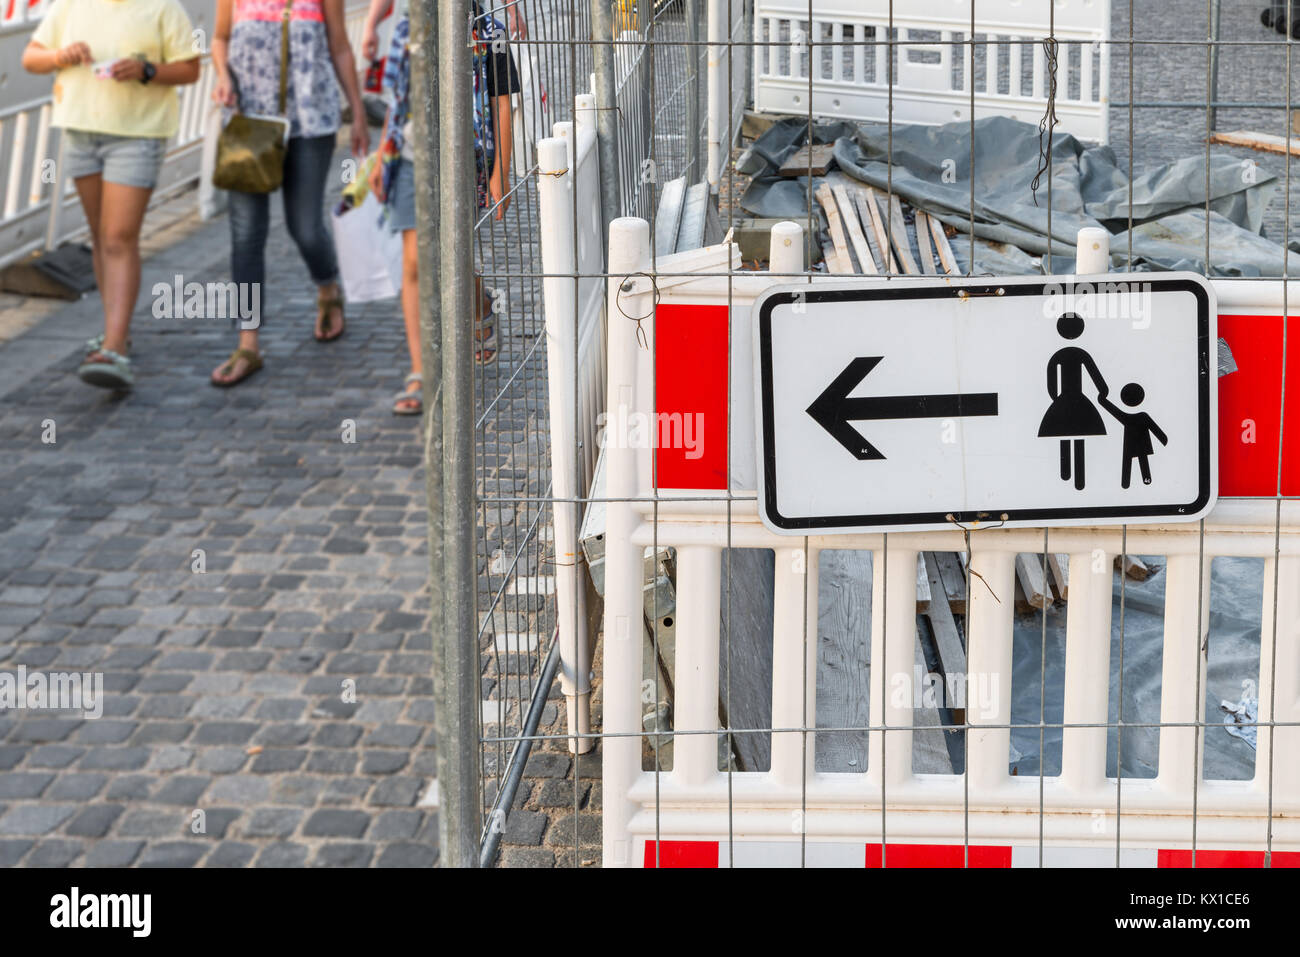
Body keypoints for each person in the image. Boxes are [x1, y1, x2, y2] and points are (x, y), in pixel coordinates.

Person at [22, 0, 201, 391]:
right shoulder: (70, 5)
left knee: (119, 237)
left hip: (138, 135)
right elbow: (31, 58)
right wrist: (60, 55)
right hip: (81, 132)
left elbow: (190, 69)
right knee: (102, 237)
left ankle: (115, 346)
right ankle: (114, 331)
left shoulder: (163, 9)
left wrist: (146, 70)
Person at [362, 0, 522, 414]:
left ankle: (479, 304)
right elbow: (398, 99)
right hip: (410, 157)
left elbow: (503, 102)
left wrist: (501, 173)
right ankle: (423, 370)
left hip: (463, 159)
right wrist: (382, 156)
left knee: (451, 258)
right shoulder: (405, 29)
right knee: (414, 262)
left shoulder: (491, 33)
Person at [209, 0, 370, 387]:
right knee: (246, 236)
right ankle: (249, 342)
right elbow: (219, 37)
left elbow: (340, 47)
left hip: (311, 122)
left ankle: (328, 288)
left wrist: (359, 112)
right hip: (250, 123)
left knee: (306, 228)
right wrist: (223, 77)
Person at [1037, 312, 1108, 491]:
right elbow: (1097, 377)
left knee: (1066, 433)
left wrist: (1057, 400)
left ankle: (1068, 475)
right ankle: (1075, 479)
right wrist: (1103, 391)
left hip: (1065, 400)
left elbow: (1051, 384)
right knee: (1077, 435)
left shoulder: (1060, 355)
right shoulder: (1079, 353)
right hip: (1077, 400)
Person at [1100, 384, 1167, 489]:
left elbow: (1114, 411)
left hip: (1132, 445)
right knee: (1141, 461)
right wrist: (1164, 440)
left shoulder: (1129, 418)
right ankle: (1140, 481)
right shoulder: (1142, 416)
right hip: (1139, 445)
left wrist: (1102, 400)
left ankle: (1127, 483)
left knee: (1132, 463)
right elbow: (1157, 431)